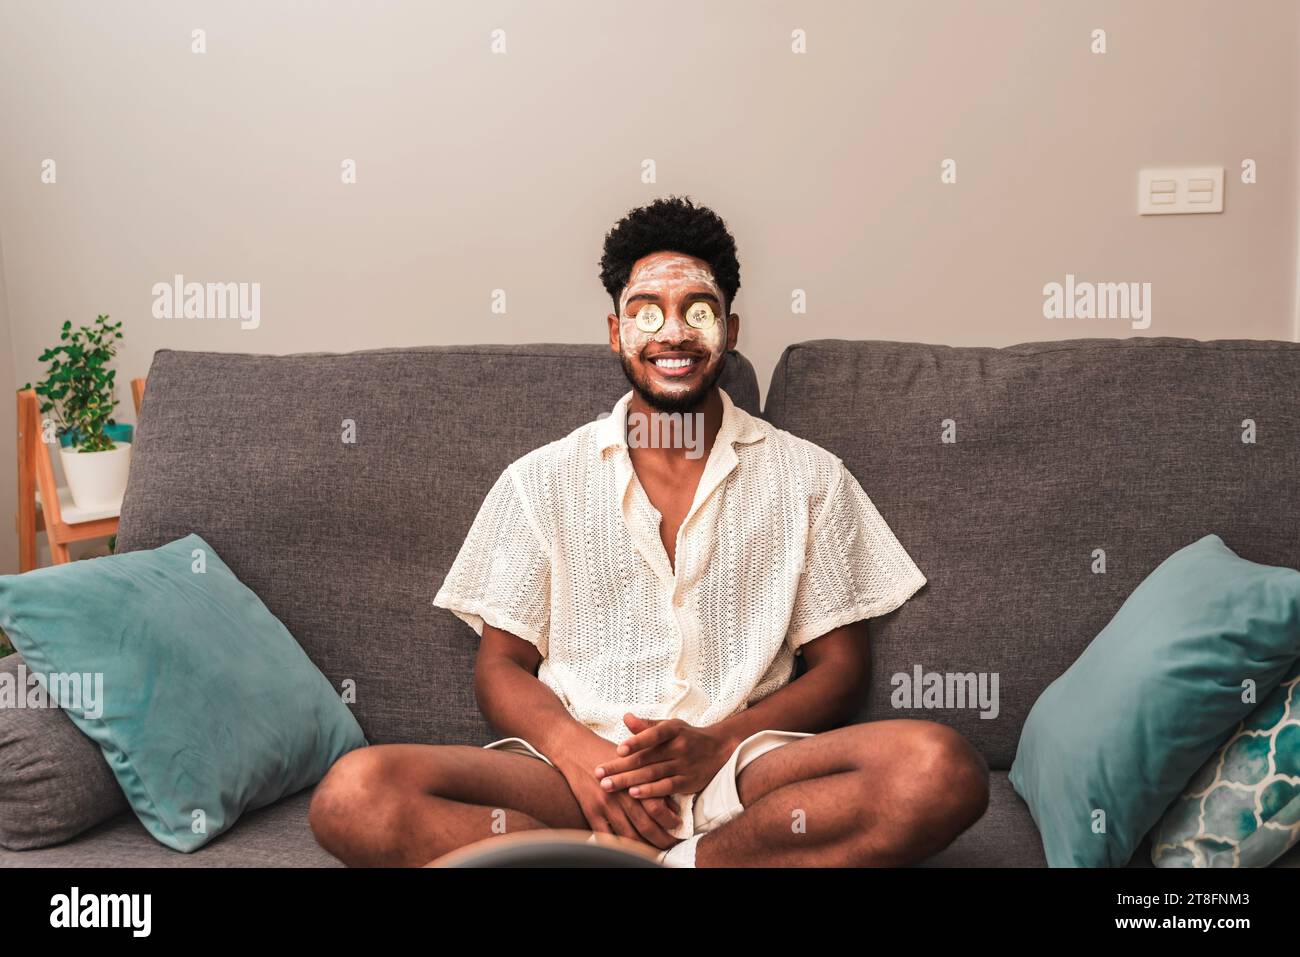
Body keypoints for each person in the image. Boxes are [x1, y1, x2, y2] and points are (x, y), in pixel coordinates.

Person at [308, 195, 988, 867]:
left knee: (940, 768)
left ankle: (693, 862)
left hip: (739, 775)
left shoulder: (810, 477)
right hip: (578, 780)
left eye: (698, 311)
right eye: (646, 312)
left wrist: (717, 745)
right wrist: (581, 754)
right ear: (615, 331)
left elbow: (842, 667)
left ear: (731, 327)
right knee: (353, 794)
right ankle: (606, 854)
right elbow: (500, 665)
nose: (673, 333)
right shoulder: (540, 480)